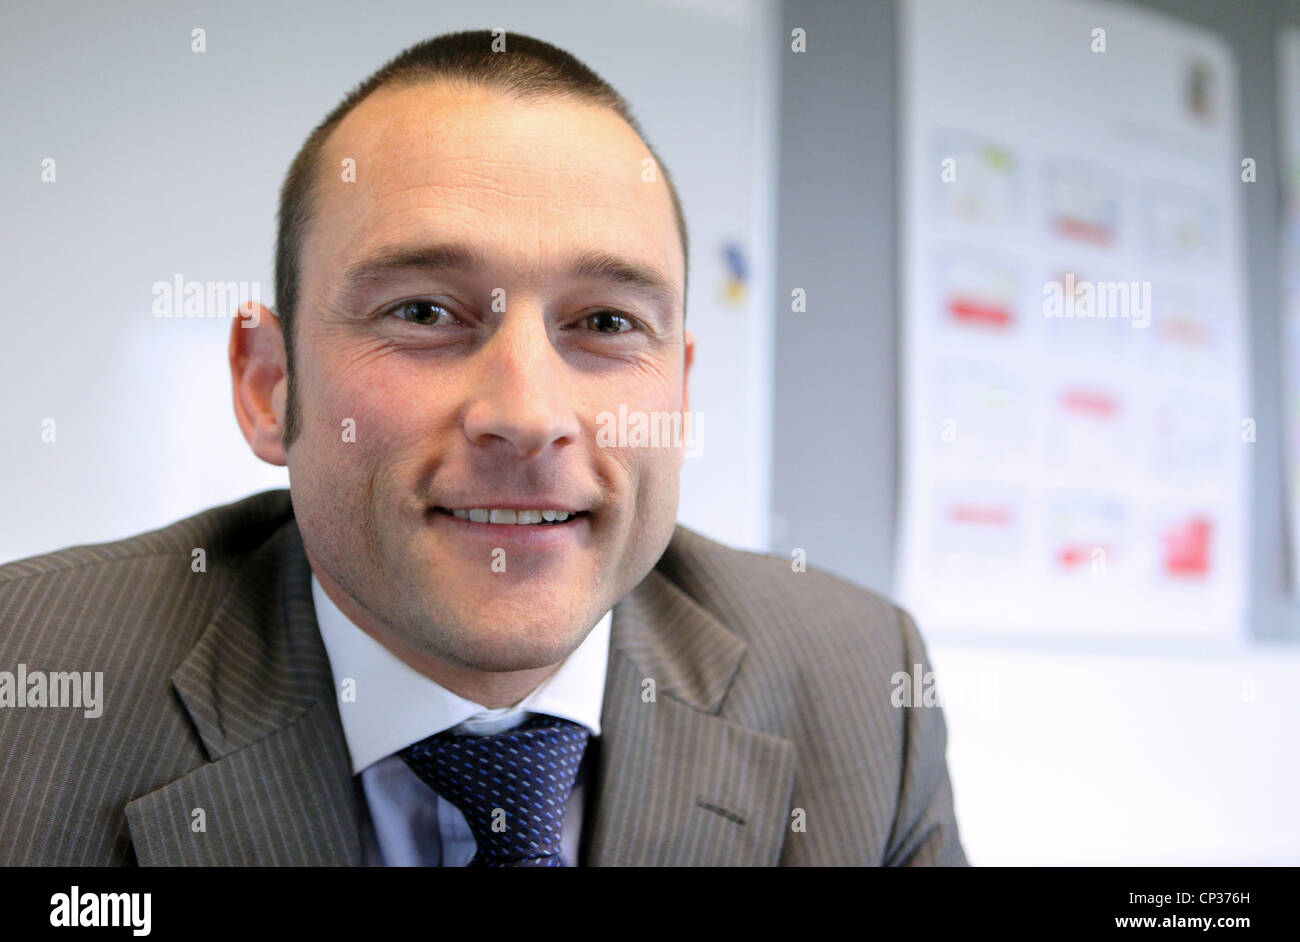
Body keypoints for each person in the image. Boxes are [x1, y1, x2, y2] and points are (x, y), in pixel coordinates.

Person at [0, 30, 967, 866]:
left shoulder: (861, 691)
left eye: (606, 322)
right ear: (269, 384)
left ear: (678, 393)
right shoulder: (28, 691)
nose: (527, 412)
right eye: (423, 312)